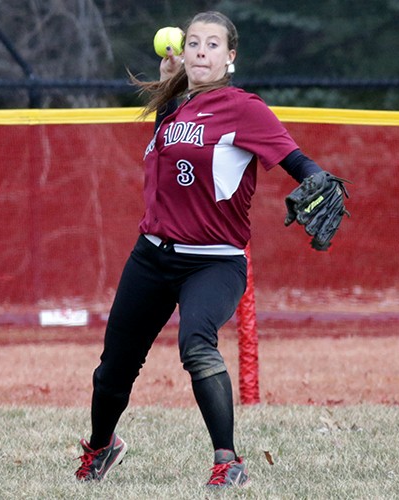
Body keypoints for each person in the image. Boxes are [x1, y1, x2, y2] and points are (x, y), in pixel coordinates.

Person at [74, 10, 331, 488]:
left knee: (197, 343)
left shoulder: (243, 107)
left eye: (213, 45)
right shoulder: (175, 110)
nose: (200, 52)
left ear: (230, 56)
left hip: (214, 261)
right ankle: (102, 446)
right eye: (194, 43)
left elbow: (295, 159)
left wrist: (318, 180)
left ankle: (227, 461)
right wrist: (171, 91)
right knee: (113, 368)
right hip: (151, 255)